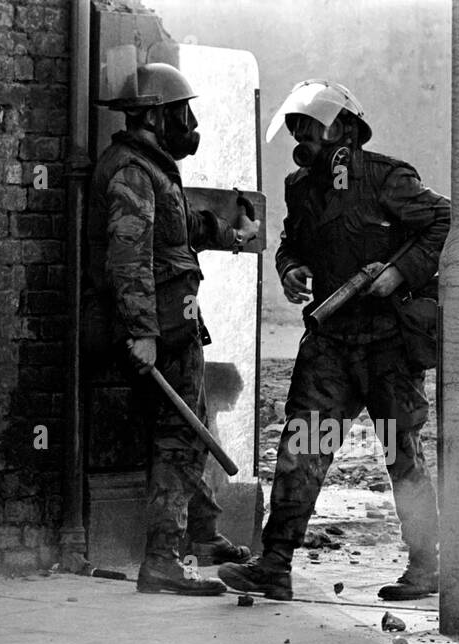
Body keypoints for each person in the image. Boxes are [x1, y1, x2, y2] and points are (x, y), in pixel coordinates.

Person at [220, 80, 449, 602]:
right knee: (301, 447)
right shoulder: (299, 187)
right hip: (331, 344)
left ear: (345, 128)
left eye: (311, 125)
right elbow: (289, 243)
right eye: (297, 127)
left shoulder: (388, 178)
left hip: (389, 343)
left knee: (400, 451)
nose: (302, 136)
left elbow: (445, 219)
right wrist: (291, 268)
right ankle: (274, 564)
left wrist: (400, 272)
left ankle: (427, 565)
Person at [85, 63, 260, 595]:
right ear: (157, 116)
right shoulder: (132, 172)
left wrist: (233, 234)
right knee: (179, 438)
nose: (190, 122)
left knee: (192, 428)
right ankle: (162, 559)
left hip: (174, 329)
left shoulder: (154, 169)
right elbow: (128, 258)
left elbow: (179, 231)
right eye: (181, 112)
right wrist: (142, 331)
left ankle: (202, 535)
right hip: (156, 331)